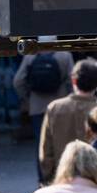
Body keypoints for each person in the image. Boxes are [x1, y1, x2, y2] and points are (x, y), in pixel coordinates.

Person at [38, 59, 97, 186]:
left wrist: (49, 178)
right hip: (93, 179)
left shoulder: (55, 107)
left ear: (74, 80)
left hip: (61, 177)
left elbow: (45, 149)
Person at [14, 49, 73, 177]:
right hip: (61, 107)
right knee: (61, 142)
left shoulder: (30, 56)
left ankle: (43, 179)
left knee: (41, 145)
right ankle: (62, 176)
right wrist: (69, 98)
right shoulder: (65, 55)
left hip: (37, 107)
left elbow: (18, 81)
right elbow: (72, 80)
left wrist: (28, 99)